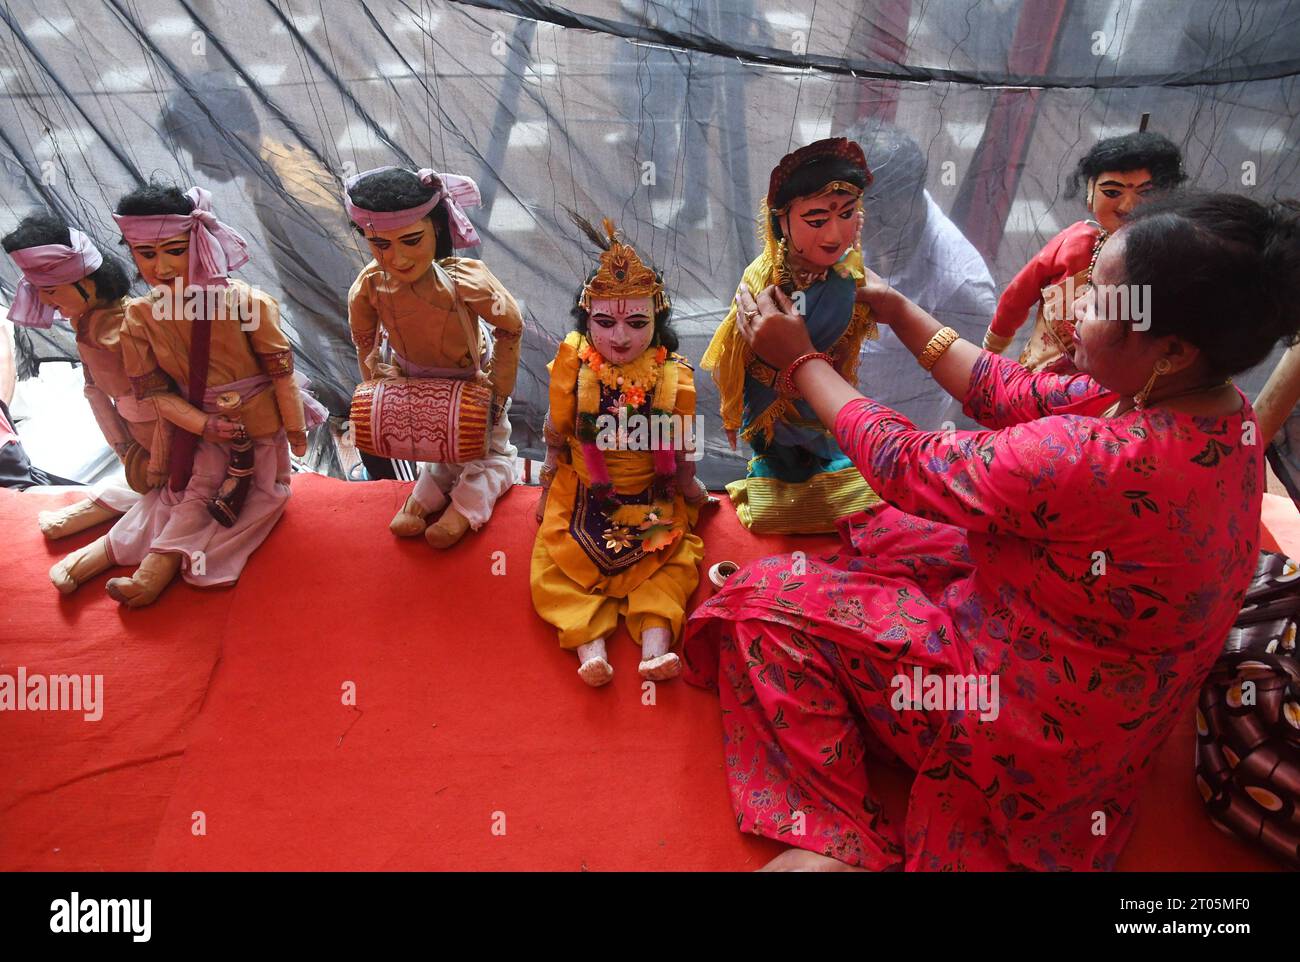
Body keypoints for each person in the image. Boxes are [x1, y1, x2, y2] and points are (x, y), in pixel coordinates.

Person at [683, 191, 1297, 871]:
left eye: (1098, 301)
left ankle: (831, 841)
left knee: (766, 598)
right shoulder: (1216, 409)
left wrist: (802, 363)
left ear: (1172, 349)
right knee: (892, 531)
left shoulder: (1093, 459)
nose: (1070, 310)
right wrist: (896, 308)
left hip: (1017, 721)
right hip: (1107, 701)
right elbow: (1008, 392)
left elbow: (906, 461)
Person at [105, 182, 323, 607]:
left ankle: (157, 566)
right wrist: (203, 424)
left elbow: (282, 377)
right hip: (197, 429)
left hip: (257, 430)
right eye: (146, 254)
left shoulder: (250, 304)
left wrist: (295, 430)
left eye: (173, 250)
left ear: (199, 243)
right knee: (196, 491)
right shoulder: (139, 316)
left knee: (250, 498)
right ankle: (134, 558)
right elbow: (154, 394)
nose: (161, 267)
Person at [530, 215, 709, 687]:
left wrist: (689, 487)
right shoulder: (572, 366)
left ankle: (654, 649)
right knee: (556, 569)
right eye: (604, 323)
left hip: (654, 496)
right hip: (584, 493)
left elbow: (684, 444)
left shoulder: (675, 376)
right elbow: (555, 433)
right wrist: (547, 486)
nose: (620, 338)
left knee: (671, 566)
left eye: (636, 323)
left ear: (658, 321)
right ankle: (591, 650)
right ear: (586, 321)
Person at [701, 137, 879, 533]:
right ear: (781, 221)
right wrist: (747, 401)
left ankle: (826, 489)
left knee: (837, 457)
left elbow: (846, 347)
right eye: (816, 221)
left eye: (848, 214)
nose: (835, 233)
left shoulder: (847, 274)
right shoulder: (765, 282)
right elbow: (735, 351)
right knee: (781, 462)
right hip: (775, 404)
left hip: (827, 395)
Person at [345, 166, 522, 548]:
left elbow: (511, 327)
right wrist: (377, 384)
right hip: (412, 384)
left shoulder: (465, 278)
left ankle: (464, 508)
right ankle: (421, 501)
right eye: (381, 245)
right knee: (440, 455)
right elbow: (365, 342)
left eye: (411, 240)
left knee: (488, 453)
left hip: (470, 383)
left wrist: (498, 390)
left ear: (436, 229)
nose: (398, 258)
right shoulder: (369, 285)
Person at [982, 131, 1186, 372]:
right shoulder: (1073, 243)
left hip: (1112, 393)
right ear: (1091, 193)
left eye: (1146, 193)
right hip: (1037, 376)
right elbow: (1017, 296)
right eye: (1112, 192)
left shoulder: (1164, 263)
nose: (1128, 206)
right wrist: (990, 353)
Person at [843, 119, 998, 430]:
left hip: (904, 438)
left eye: (880, 214)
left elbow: (978, 385)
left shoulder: (960, 285)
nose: (861, 227)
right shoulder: (853, 222)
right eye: (853, 211)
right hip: (844, 410)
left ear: (913, 199)